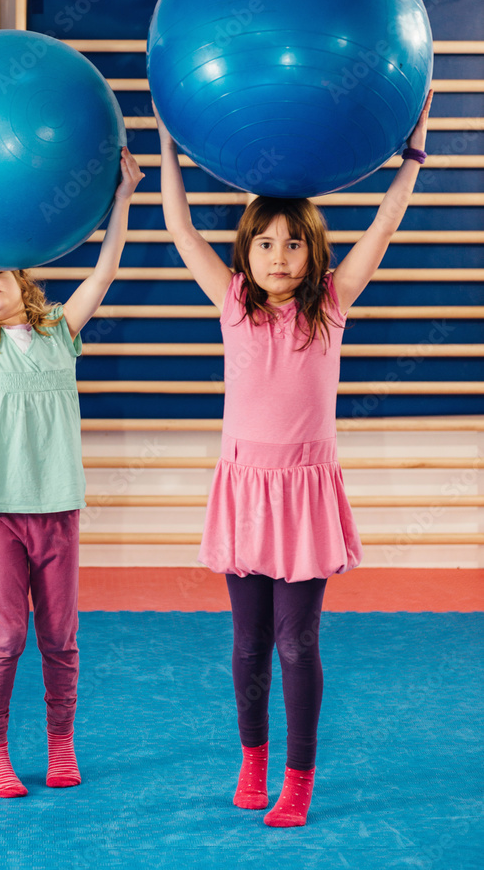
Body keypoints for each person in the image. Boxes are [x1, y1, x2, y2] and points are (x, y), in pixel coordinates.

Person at [155, 93, 432, 827]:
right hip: (246, 489)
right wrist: (169, 145)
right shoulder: (232, 305)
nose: (279, 256)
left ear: (314, 254)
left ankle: (299, 776)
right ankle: (251, 759)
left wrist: (411, 157)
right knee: (246, 645)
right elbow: (178, 227)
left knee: (294, 643)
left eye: (294, 243)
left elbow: (384, 224)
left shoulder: (330, 305)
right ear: (245, 252)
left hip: (302, 495)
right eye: (265, 243)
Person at [0, 146, 143, 798]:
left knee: (59, 637)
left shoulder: (59, 336)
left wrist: (122, 200)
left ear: (24, 281)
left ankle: (59, 743)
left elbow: (103, 275)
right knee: (6, 636)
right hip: (1, 512)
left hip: (58, 509)